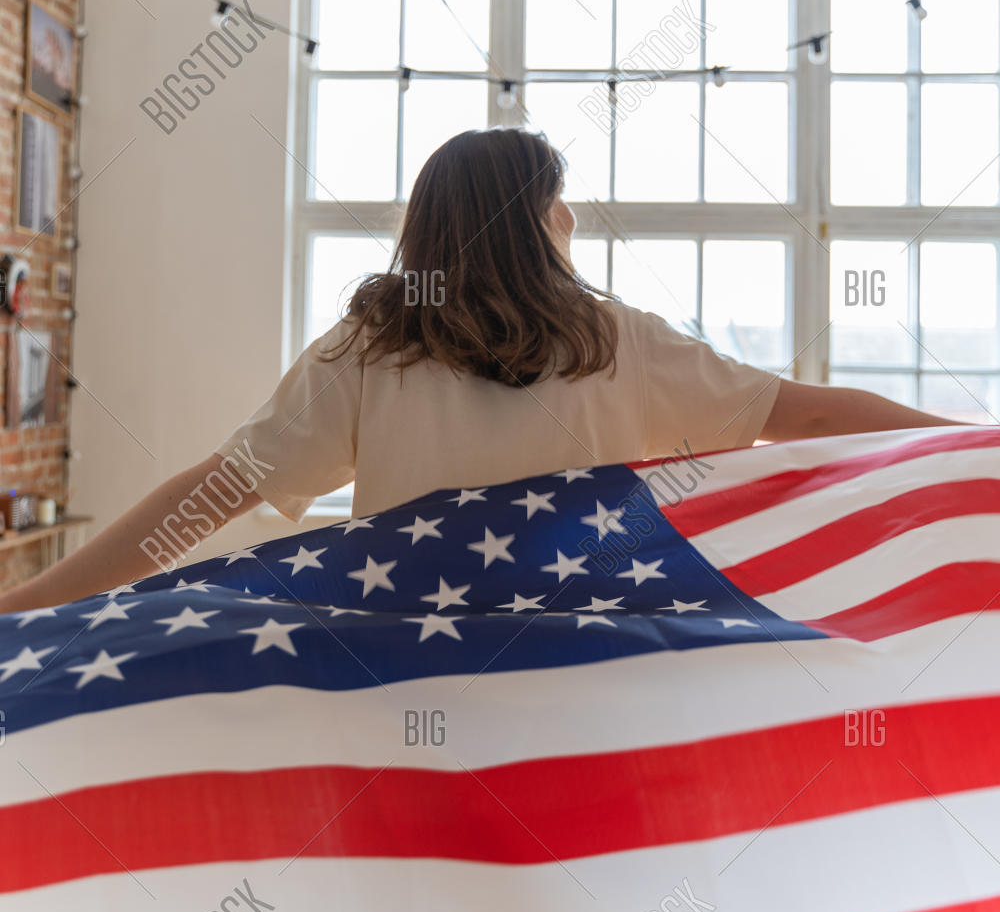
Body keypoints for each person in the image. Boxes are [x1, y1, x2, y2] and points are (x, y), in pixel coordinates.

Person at [0, 128, 964, 612]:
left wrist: (23, 611)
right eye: (559, 206)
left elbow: (209, 495)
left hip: (403, 675)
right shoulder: (619, 343)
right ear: (529, 223)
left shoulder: (371, 348)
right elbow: (805, 417)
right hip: (576, 671)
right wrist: (970, 447)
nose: (573, 224)